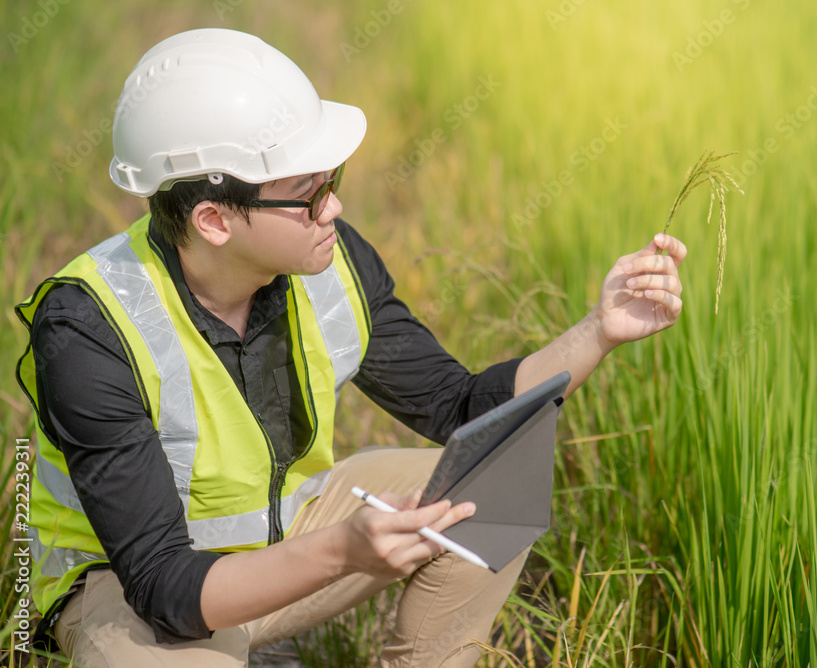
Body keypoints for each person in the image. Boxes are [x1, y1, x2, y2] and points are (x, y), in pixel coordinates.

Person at [16, 28, 686, 667]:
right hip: (131, 589)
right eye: (308, 195)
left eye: (331, 181)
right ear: (214, 220)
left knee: (489, 485)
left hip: (285, 543)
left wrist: (599, 329)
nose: (333, 209)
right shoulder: (88, 327)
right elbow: (164, 587)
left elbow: (462, 407)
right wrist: (343, 550)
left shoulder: (328, 265)